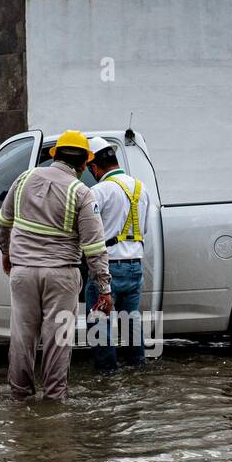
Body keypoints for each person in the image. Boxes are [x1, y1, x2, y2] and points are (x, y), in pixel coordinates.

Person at [0, 130, 113, 401]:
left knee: (22, 337)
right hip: (61, 276)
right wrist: (104, 287)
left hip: (22, 272)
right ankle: (53, 402)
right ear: (84, 163)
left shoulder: (24, 179)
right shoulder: (81, 192)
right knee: (57, 340)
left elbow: (3, 222)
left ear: (55, 155)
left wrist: (6, 252)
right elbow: (94, 247)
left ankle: (20, 397)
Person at [84, 136, 152, 372]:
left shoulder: (98, 191)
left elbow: (89, 232)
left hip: (108, 267)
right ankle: (138, 366)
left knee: (99, 320)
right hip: (135, 266)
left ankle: (107, 373)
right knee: (131, 319)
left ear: (94, 167)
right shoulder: (141, 189)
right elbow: (143, 230)